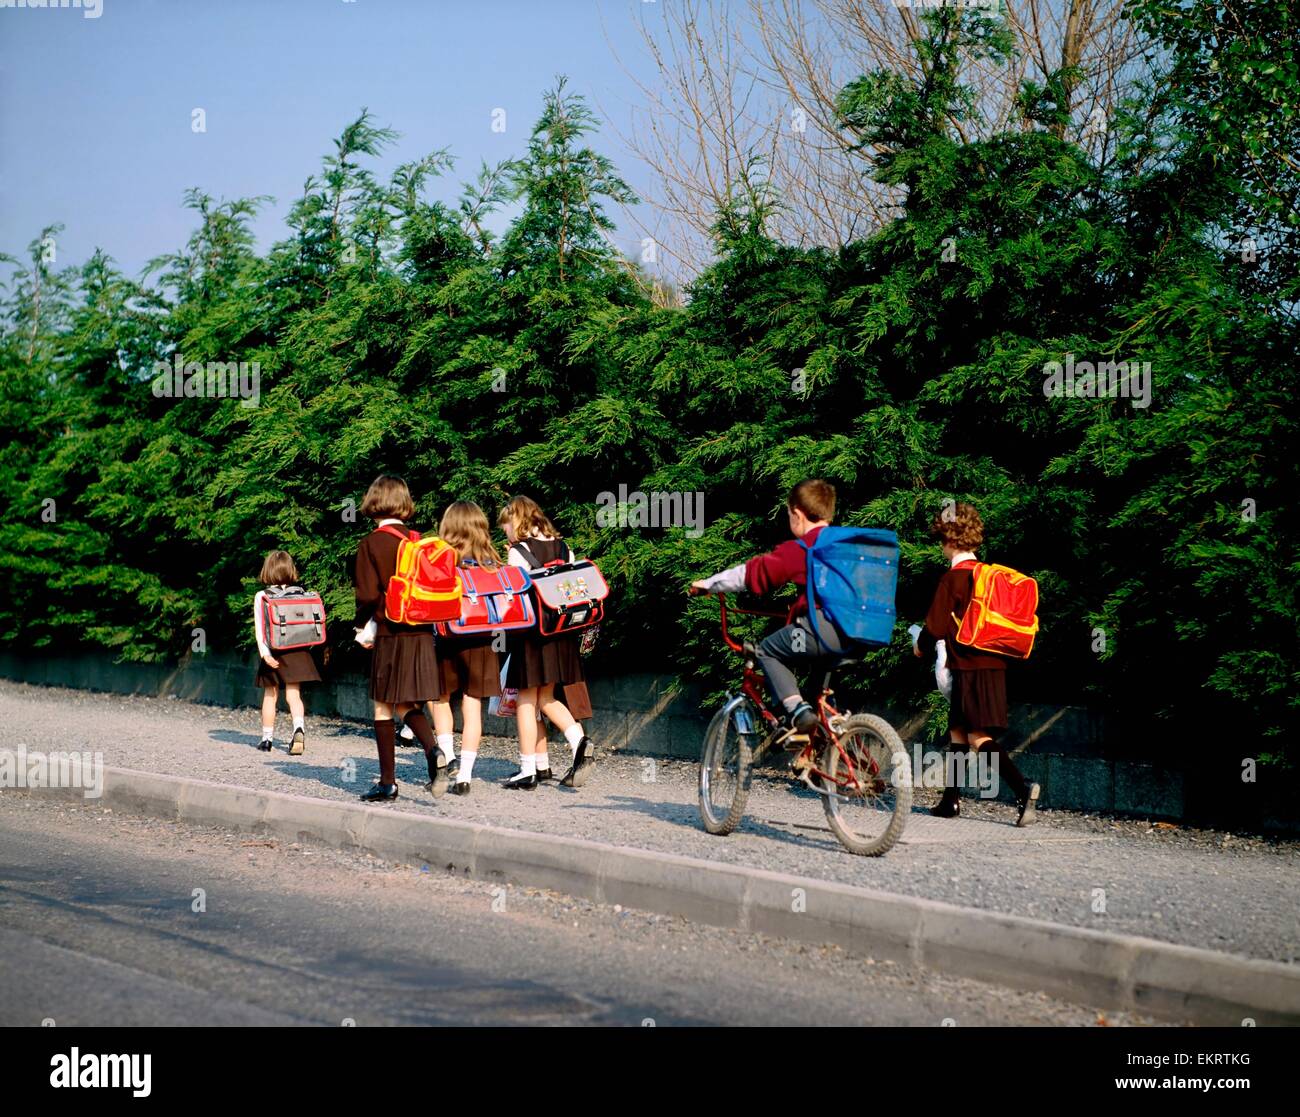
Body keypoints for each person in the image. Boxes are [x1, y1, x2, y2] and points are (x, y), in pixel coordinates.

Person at [690, 479, 849, 741]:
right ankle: (821, 745)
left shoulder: (807, 548)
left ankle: (797, 711)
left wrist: (708, 585)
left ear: (797, 514)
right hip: (861, 634)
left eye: (789, 514)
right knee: (816, 688)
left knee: (767, 649)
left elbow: (753, 574)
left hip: (823, 630)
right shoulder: (848, 545)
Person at [916, 502, 1039, 826]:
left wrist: (919, 647)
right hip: (993, 665)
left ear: (952, 542)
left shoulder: (953, 578)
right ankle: (950, 801)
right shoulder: (987, 576)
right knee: (958, 731)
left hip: (968, 669)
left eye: (941, 540)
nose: (941, 546)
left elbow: (935, 628)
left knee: (977, 737)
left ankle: (1023, 788)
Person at [352, 474, 450, 803]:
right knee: (407, 702)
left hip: (391, 633)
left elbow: (367, 595)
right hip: (421, 633)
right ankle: (433, 749)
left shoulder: (371, 543)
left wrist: (360, 625)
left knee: (383, 705)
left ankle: (387, 783)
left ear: (374, 501)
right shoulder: (416, 540)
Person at [498, 495, 596, 789]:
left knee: (526, 700)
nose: (506, 532)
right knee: (546, 698)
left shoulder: (519, 551)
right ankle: (579, 742)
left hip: (532, 635)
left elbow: (512, 597)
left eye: (506, 526)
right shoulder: (564, 547)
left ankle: (527, 770)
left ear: (516, 521)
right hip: (562, 632)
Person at [429, 501, 504, 796]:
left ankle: (446, 758)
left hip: (448, 638)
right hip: (484, 641)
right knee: (472, 706)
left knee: (440, 699)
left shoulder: (442, 560)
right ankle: (466, 776)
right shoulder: (493, 562)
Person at [253, 549, 321, 755]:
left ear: (268, 570)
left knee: (270, 695)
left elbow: (260, 629)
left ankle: (267, 739)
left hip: (274, 650)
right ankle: (298, 729)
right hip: (298, 652)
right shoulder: (301, 593)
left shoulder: (263, 596)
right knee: (294, 695)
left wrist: (265, 654)